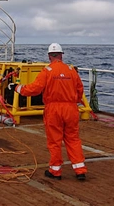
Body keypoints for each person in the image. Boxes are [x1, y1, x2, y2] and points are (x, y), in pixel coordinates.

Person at [13, 43, 88, 181]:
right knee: (73, 139)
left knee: (55, 141)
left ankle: (55, 171)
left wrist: (18, 88)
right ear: (61, 55)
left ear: (49, 56)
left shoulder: (47, 71)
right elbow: (79, 90)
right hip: (71, 109)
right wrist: (74, 101)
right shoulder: (71, 70)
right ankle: (80, 170)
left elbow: (34, 89)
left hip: (53, 109)